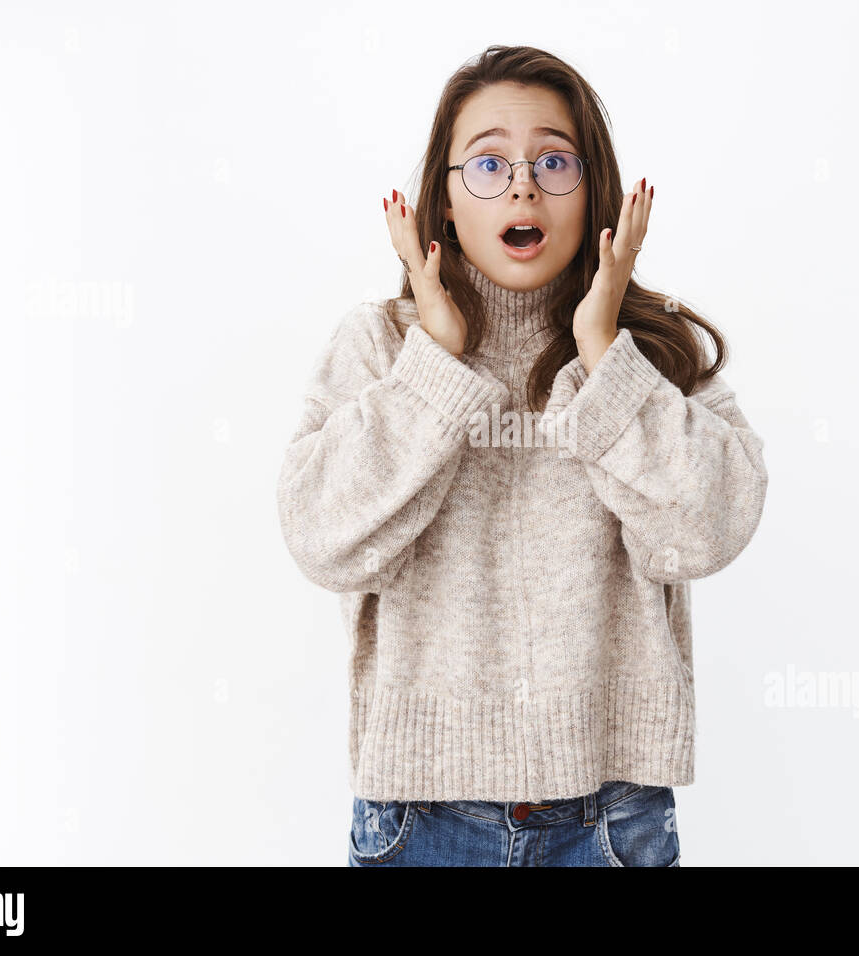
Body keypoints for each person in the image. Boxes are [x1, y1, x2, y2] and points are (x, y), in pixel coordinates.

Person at [276, 45, 768, 866]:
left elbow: (709, 530)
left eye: (553, 159)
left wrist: (604, 357)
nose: (522, 185)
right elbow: (321, 540)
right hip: (419, 818)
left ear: (596, 189)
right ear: (441, 202)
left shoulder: (650, 351)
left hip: (612, 816)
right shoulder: (382, 345)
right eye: (489, 163)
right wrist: (436, 364)